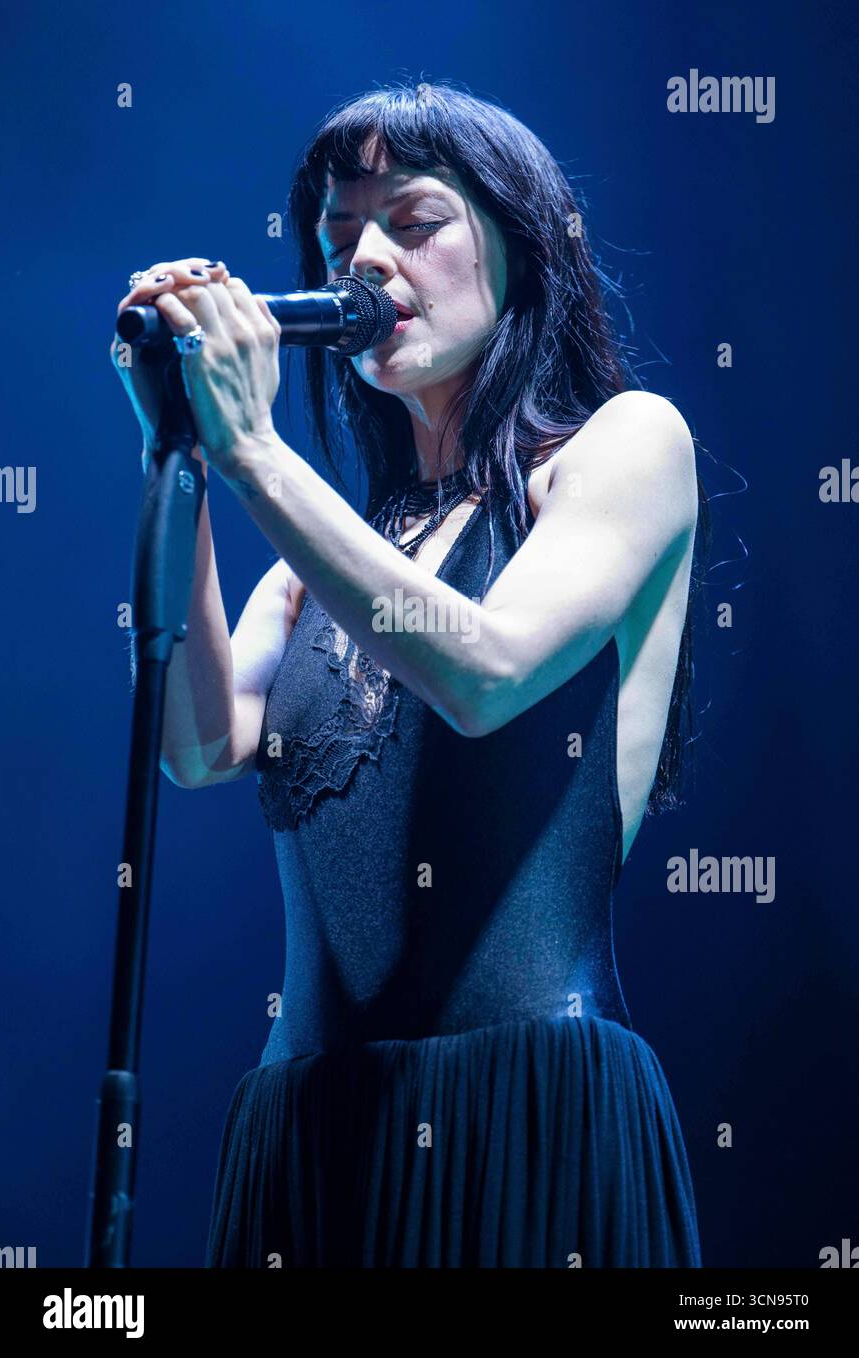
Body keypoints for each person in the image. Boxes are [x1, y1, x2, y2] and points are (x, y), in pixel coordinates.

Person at [114, 81, 704, 1268]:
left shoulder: (625, 447)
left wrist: (257, 453)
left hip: (530, 1109)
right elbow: (193, 748)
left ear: (519, 244)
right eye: (340, 238)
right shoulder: (321, 559)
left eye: (413, 221)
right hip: (313, 1130)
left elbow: (484, 670)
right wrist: (177, 447)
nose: (368, 260)